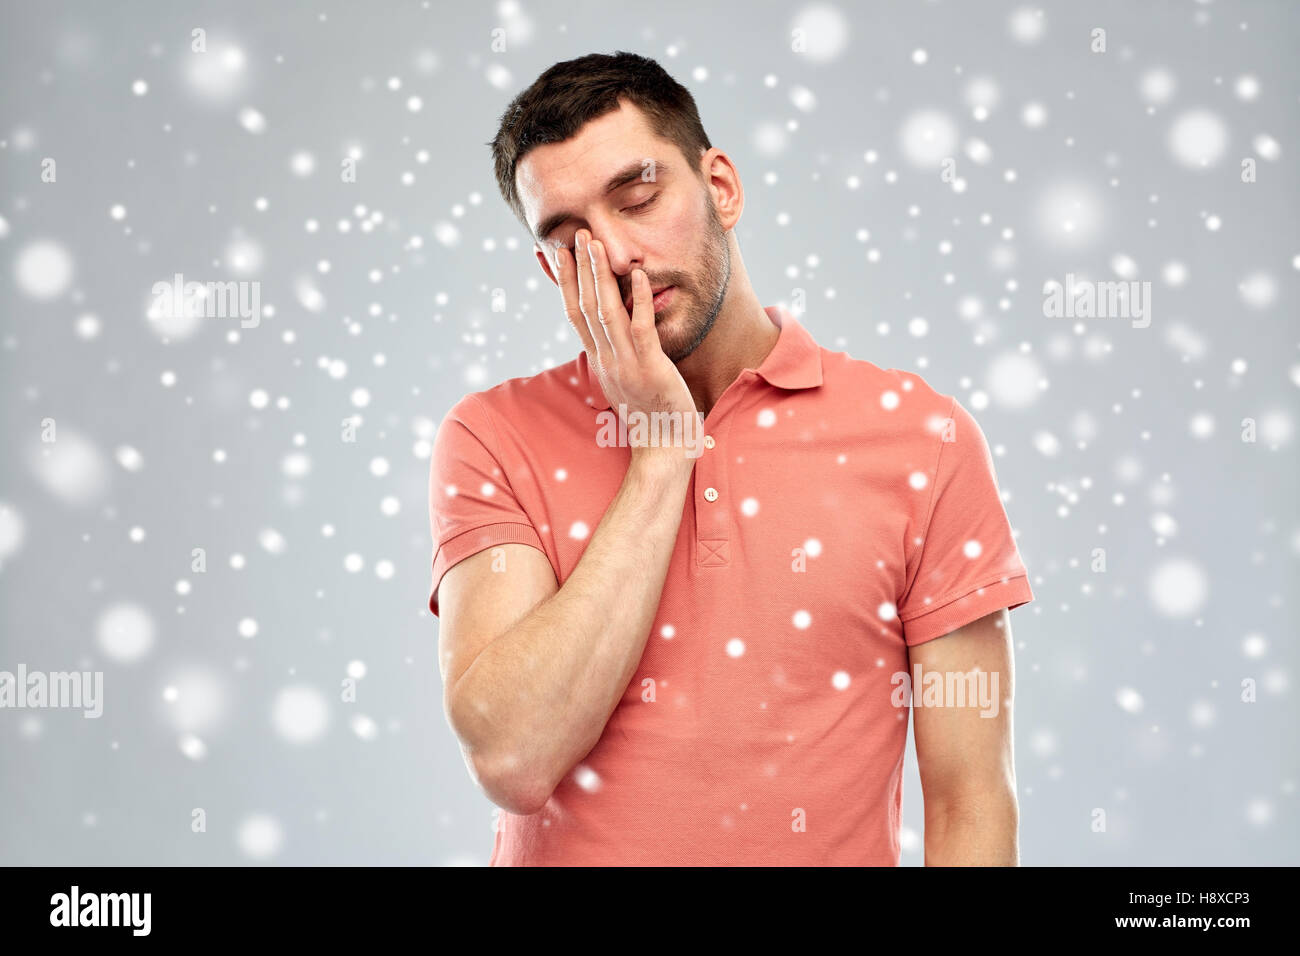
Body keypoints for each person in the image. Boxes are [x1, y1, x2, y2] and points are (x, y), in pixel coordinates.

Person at [427, 51, 1033, 865]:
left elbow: (970, 801)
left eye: (638, 197)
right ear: (550, 271)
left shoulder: (925, 440)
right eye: (570, 239)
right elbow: (513, 756)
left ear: (721, 188)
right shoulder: (494, 436)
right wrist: (660, 455)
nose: (613, 253)